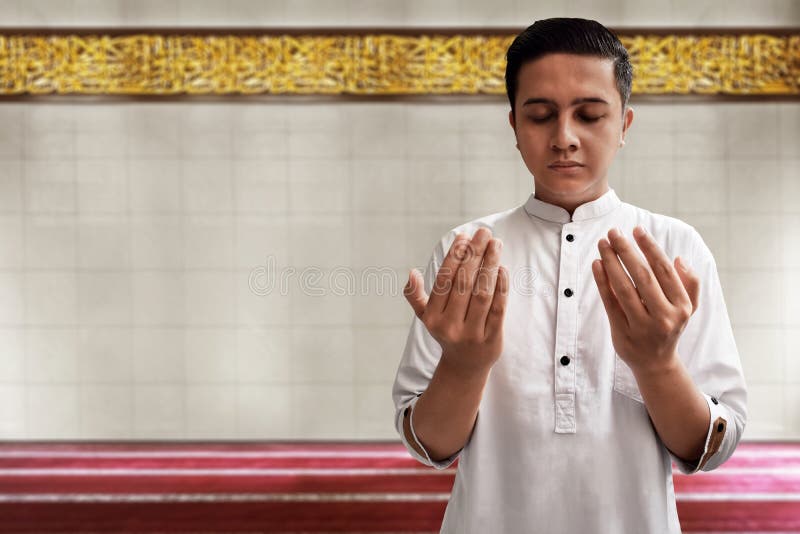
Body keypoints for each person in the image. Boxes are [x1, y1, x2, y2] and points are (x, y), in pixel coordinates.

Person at [392, 17, 747, 533]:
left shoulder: (675, 249)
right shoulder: (467, 251)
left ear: (624, 124)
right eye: (540, 116)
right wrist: (466, 367)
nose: (564, 138)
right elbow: (429, 446)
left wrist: (658, 364)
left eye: (589, 115)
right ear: (514, 126)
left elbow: (714, 445)